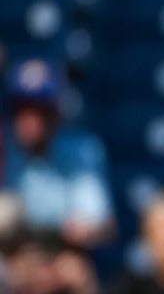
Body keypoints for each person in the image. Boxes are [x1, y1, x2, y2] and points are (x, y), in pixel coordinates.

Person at [2, 58, 114, 249]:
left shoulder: (81, 151)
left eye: (40, 111)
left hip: (64, 254)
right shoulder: (5, 148)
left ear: (55, 114)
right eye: (23, 110)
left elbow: (103, 226)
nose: (31, 120)